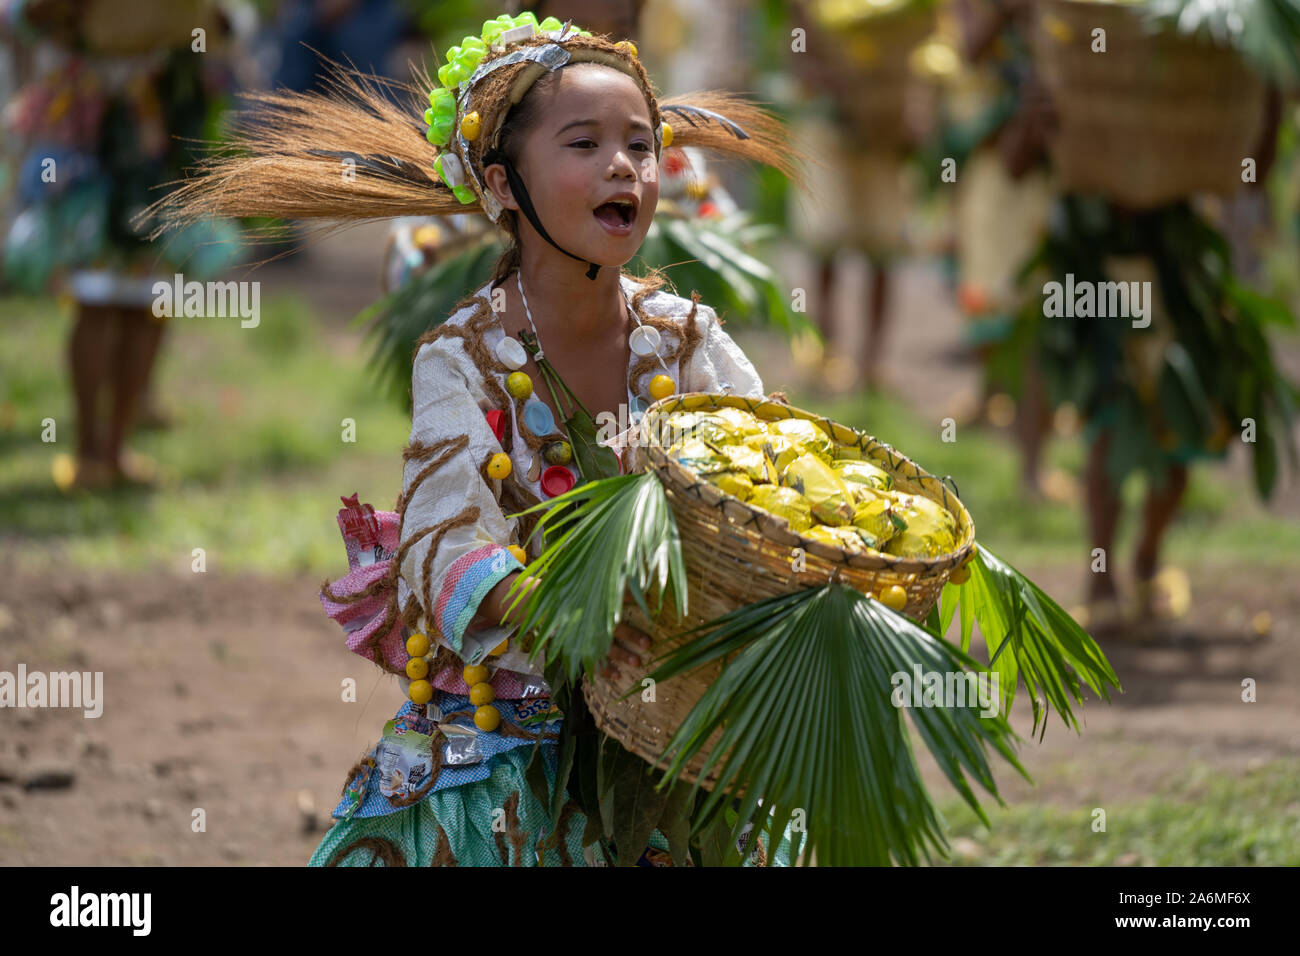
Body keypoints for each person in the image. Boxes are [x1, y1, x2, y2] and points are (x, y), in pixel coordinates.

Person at [150, 11, 802, 866]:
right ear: (502, 185)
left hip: (673, 706)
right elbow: (442, 534)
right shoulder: (461, 359)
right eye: (584, 144)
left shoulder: (689, 341)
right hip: (516, 719)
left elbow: (767, 482)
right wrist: (570, 617)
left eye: (640, 146)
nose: (623, 167)